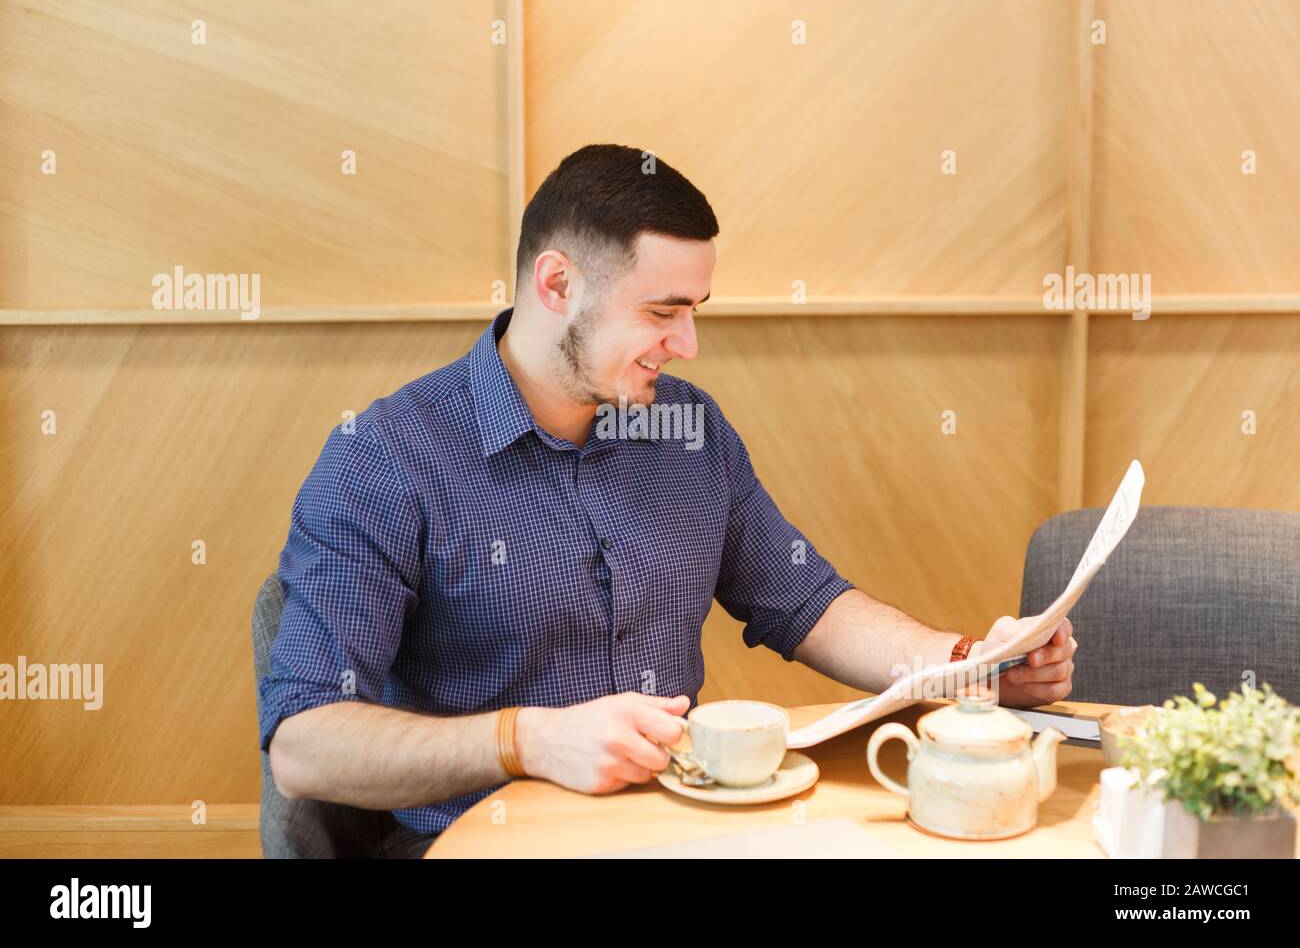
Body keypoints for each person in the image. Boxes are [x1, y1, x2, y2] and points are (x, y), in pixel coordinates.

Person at [259, 144, 1075, 853]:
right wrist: (528, 741)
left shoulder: (687, 428)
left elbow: (809, 603)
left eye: (694, 312)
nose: (685, 345)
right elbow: (305, 744)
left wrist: (967, 668)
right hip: (480, 842)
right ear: (556, 285)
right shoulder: (385, 459)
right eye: (662, 312)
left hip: (682, 826)